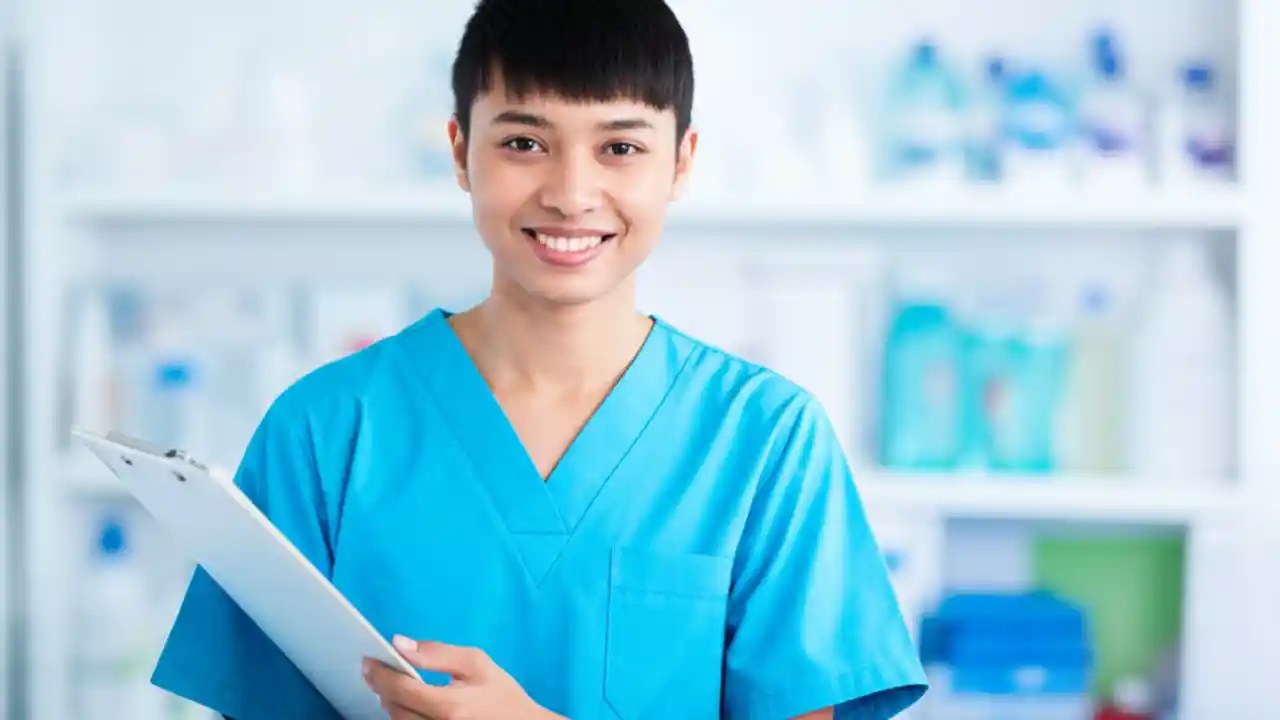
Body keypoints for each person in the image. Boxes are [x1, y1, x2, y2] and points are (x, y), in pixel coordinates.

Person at [150, 0, 928, 718]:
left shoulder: (766, 439)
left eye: (620, 147)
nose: (570, 192)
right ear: (460, 152)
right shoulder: (325, 429)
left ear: (682, 164)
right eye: (524, 143)